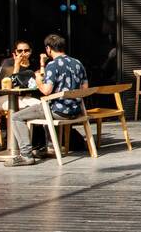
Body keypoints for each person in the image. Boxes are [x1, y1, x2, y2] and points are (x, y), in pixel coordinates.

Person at [5, 33, 88, 167]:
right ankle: (46, 146)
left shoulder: (53, 65)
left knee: (16, 117)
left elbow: (46, 91)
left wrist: (38, 80)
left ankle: (26, 155)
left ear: (48, 49)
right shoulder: (77, 63)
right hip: (77, 111)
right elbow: (85, 88)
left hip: (58, 111)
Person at [0, 40, 41, 113]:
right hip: (5, 96)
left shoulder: (33, 63)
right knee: (24, 108)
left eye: (26, 50)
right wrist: (17, 66)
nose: (23, 53)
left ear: (30, 51)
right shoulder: (8, 62)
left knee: (40, 105)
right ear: (15, 52)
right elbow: (10, 84)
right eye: (20, 51)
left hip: (24, 96)